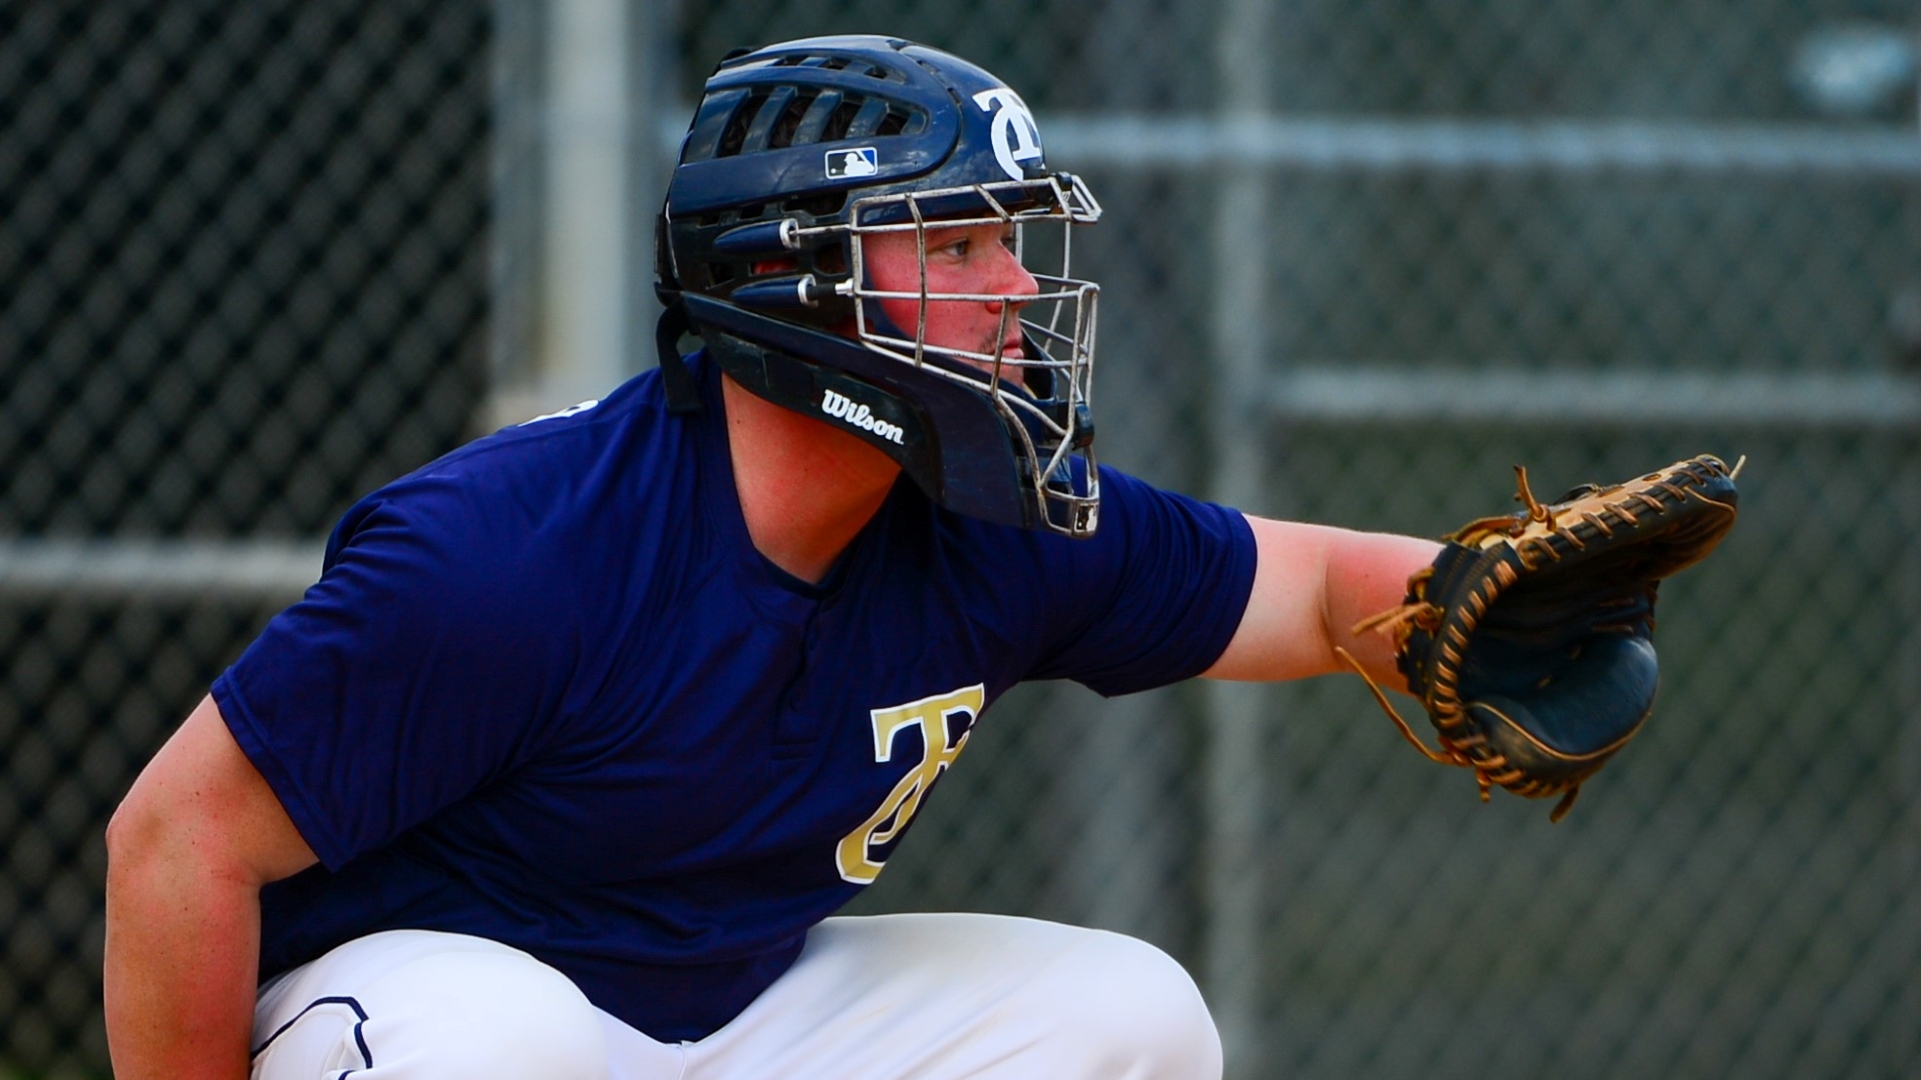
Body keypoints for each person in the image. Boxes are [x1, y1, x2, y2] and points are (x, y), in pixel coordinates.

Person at [104, 35, 1439, 1080]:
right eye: (959, 242)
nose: (1019, 288)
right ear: (787, 280)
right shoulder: (512, 555)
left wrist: (1494, 603)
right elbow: (175, 846)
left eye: (1012, 241)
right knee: (500, 1047)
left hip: (722, 1018)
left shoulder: (991, 519)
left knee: (1125, 1020)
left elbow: (1317, 591)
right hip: (415, 1009)